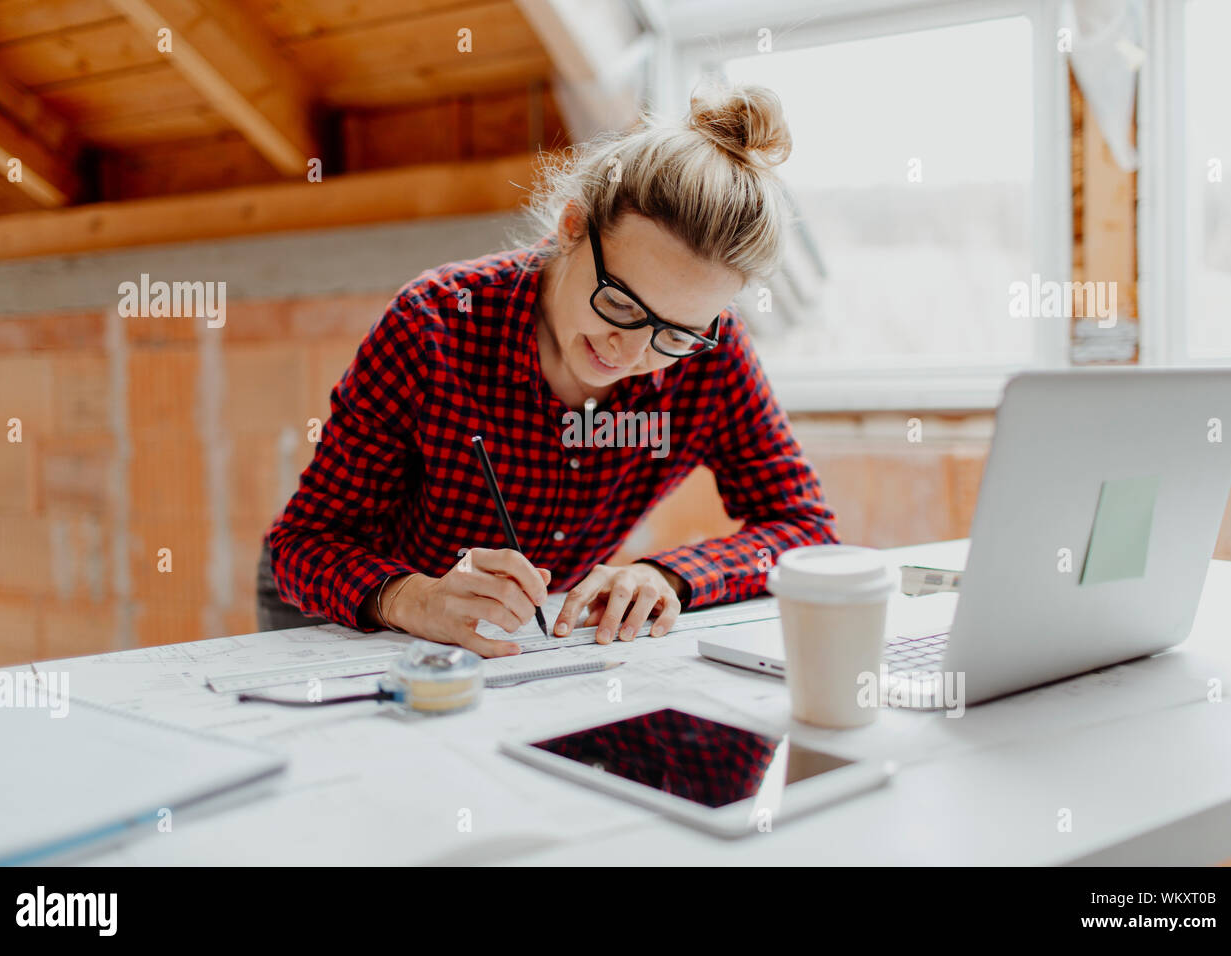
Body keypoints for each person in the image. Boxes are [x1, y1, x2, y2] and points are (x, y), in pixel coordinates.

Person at [261, 81, 839, 656]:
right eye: (619, 304)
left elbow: (804, 528)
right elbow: (303, 543)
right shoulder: (433, 324)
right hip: (350, 613)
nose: (630, 353)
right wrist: (411, 598)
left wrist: (667, 576)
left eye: (674, 334)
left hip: (517, 642)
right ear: (570, 228)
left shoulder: (714, 353)